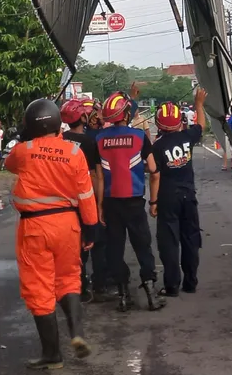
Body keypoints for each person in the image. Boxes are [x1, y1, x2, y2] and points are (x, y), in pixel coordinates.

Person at [5, 98, 98, 369]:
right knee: (69, 279)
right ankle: (77, 333)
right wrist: (90, 229)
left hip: (35, 228)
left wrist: (26, 137)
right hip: (69, 226)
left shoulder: (24, 150)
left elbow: (10, 164)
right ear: (59, 123)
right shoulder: (73, 152)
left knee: (39, 287)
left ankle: (52, 354)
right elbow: (86, 194)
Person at [91, 91, 165, 312]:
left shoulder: (99, 140)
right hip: (134, 202)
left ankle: (123, 295)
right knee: (143, 246)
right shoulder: (140, 137)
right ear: (125, 114)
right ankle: (151, 293)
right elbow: (154, 170)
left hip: (111, 202)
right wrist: (154, 202)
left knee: (115, 248)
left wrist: (100, 206)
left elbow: (100, 177)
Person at [150, 87, 206, 297]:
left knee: (169, 242)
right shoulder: (187, 137)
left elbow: (154, 174)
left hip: (167, 197)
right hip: (188, 196)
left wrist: (153, 203)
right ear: (179, 121)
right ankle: (190, 282)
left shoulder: (157, 146)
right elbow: (201, 125)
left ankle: (172, 285)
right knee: (191, 239)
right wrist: (199, 104)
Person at [62, 99, 103, 302]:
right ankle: (87, 285)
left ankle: (71, 286)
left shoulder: (59, 140)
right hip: (83, 199)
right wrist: (98, 202)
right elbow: (95, 175)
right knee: (87, 243)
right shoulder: (88, 142)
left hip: (62, 201)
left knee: (68, 246)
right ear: (83, 117)